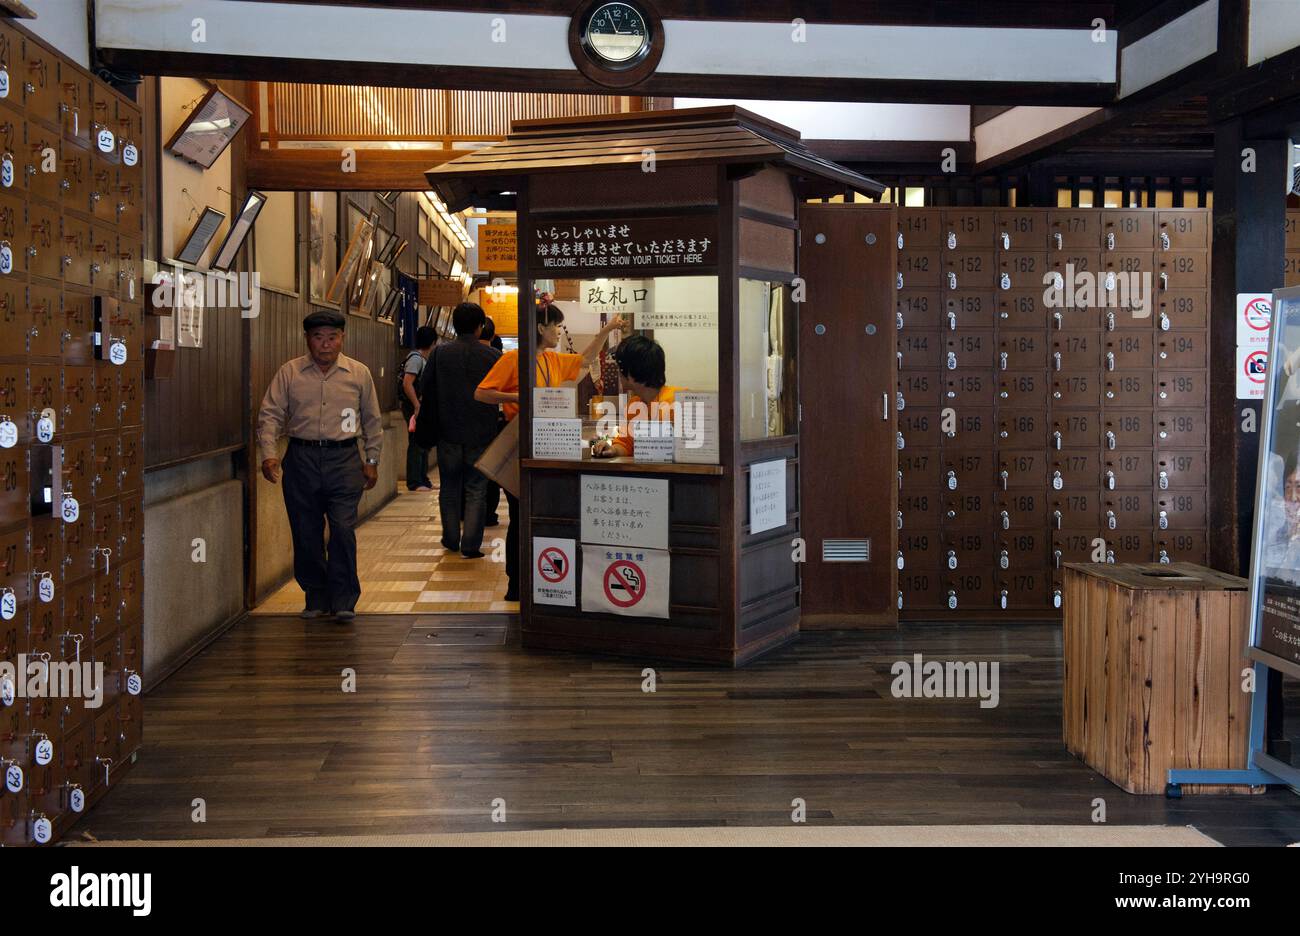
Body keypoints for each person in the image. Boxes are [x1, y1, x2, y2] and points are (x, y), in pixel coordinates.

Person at [475, 303, 628, 600]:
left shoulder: (552, 360)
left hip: (547, 443)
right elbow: (481, 393)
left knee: (536, 511)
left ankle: (535, 581)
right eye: (555, 325)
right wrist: (517, 395)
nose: (559, 331)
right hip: (518, 441)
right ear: (540, 328)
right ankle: (516, 583)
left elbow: (584, 359)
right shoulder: (513, 359)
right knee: (520, 511)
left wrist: (607, 330)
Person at [257, 309, 382, 621]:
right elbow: (269, 414)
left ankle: (343, 600)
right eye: (318, 338)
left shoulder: (358, 373)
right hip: (301, 457)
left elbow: (372, 421)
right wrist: (269, 454)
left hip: (344, 459)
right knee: (306, 531)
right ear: (307, 340)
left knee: (342, 528)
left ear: (342, 339)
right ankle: (315, 596)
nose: (326, 344)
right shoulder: (290, 373)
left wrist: (372, 460)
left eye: (332, 337)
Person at [422, 302, 501, 559]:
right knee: (476, 489)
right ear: (480, 328)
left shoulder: (440, 354)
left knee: (449, 486)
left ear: (454, 325)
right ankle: (470, 545)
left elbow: (427, 386)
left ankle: (450, 538)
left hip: (448, 432)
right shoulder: (492, 356)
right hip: (481, 434)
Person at [592, 334, 680, 458]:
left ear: (632, 372)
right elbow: (625, 444)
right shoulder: (634, 404)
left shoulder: (678, 402)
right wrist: (613, 449)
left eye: (620, 367)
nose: (618, 372)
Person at [401, 325, 437, 492]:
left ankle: (423, 479)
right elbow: (407, 384)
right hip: (413, 407)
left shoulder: (422, 358)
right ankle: (415, 481)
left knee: (423, 443)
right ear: (433, 342)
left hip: (419, 406)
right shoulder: (415, 359)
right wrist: (416, 406)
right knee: (416, 443)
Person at [478, 317, 504, 527]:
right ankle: (487, 515)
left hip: (456, 428)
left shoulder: (445, 353)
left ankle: (454, 530)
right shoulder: (498, 357)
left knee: (457, 479)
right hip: (491, 423)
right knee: (490, 471)